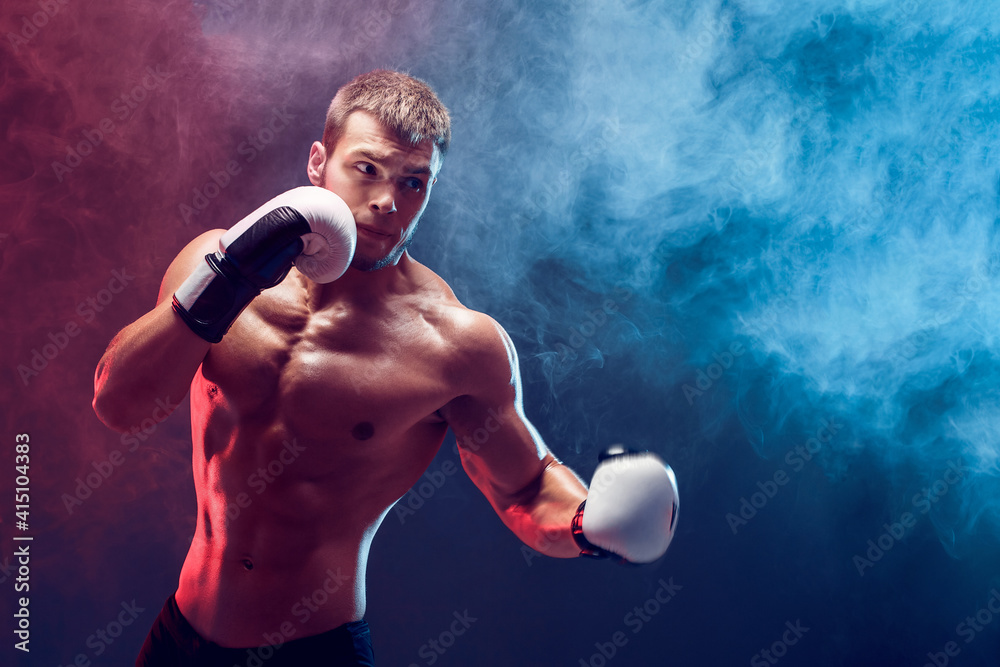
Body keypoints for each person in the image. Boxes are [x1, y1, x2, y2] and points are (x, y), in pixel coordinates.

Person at [92, 69, 677, 666]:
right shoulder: (213, 260)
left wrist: (589, 524)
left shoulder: (455, 343)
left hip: (314, 654)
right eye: (367, 168)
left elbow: (525, 486)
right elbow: (119, 404)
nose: (387, 202)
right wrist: (225, 281)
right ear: (318, 163)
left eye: (413, 182)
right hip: (181, 638)